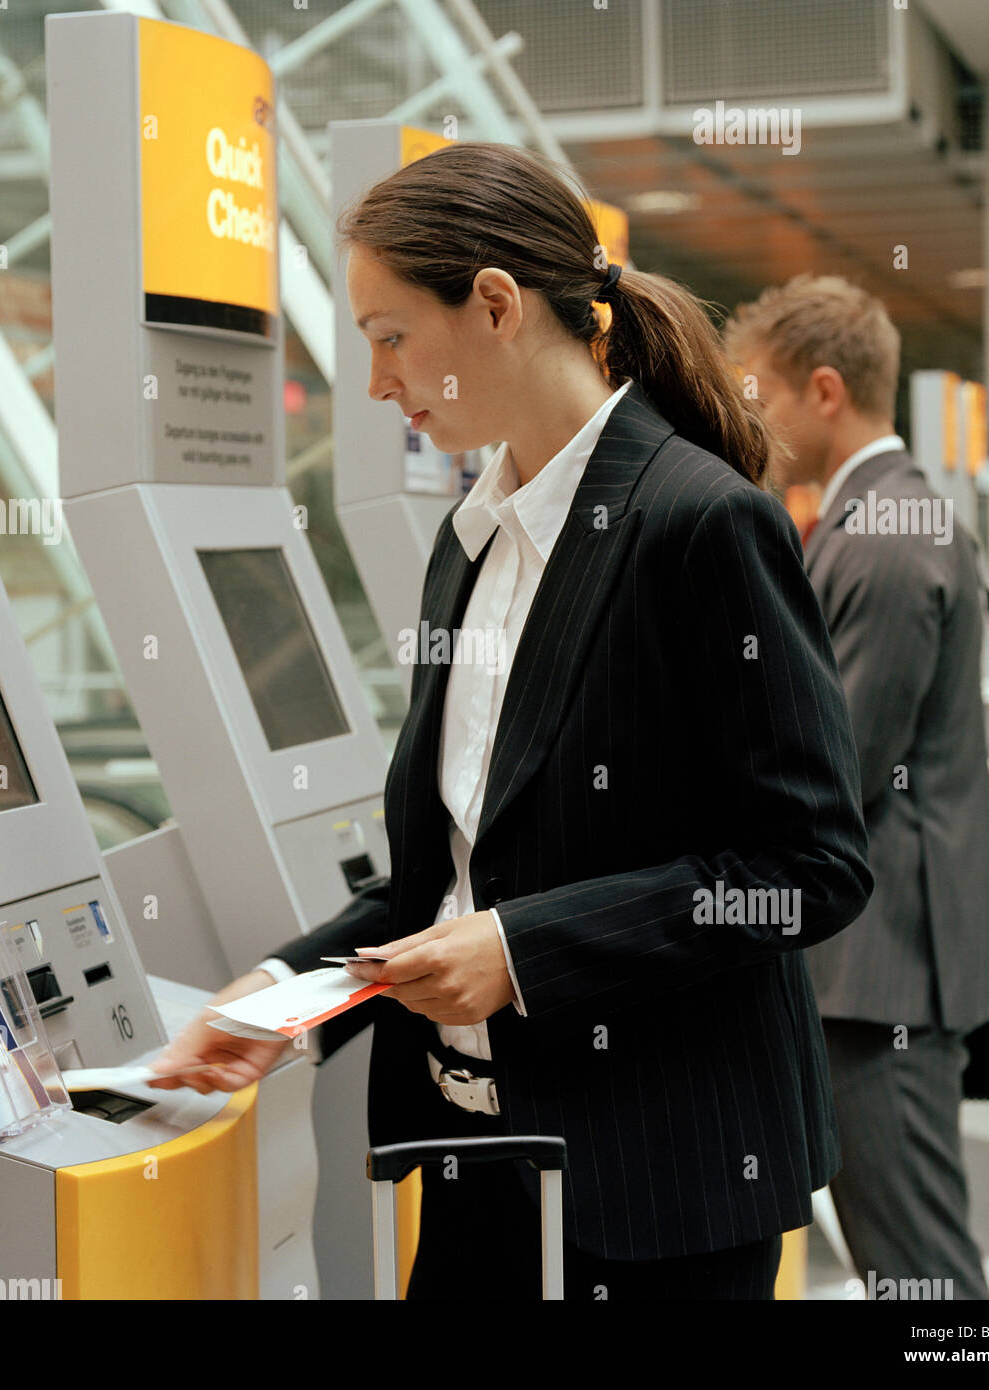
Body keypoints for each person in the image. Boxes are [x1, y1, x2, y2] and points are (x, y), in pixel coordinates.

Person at [152, 143, 872, 1301]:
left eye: (388, 336)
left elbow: (809, 864)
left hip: (653, 1194)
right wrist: (282, 996)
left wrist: (523, 951)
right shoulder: (471, 544)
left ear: (493, 303)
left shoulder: (698, 525)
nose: (377, 382)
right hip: (478, 1160)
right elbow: (449, 874)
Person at [724, 274, 989, 1300]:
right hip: (884, 960)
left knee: (917, 1268)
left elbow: (837, 766)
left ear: (821, 389)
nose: (746, 415)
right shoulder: (878, 515)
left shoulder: (884, 535)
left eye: (756, 391)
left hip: (886, 969)